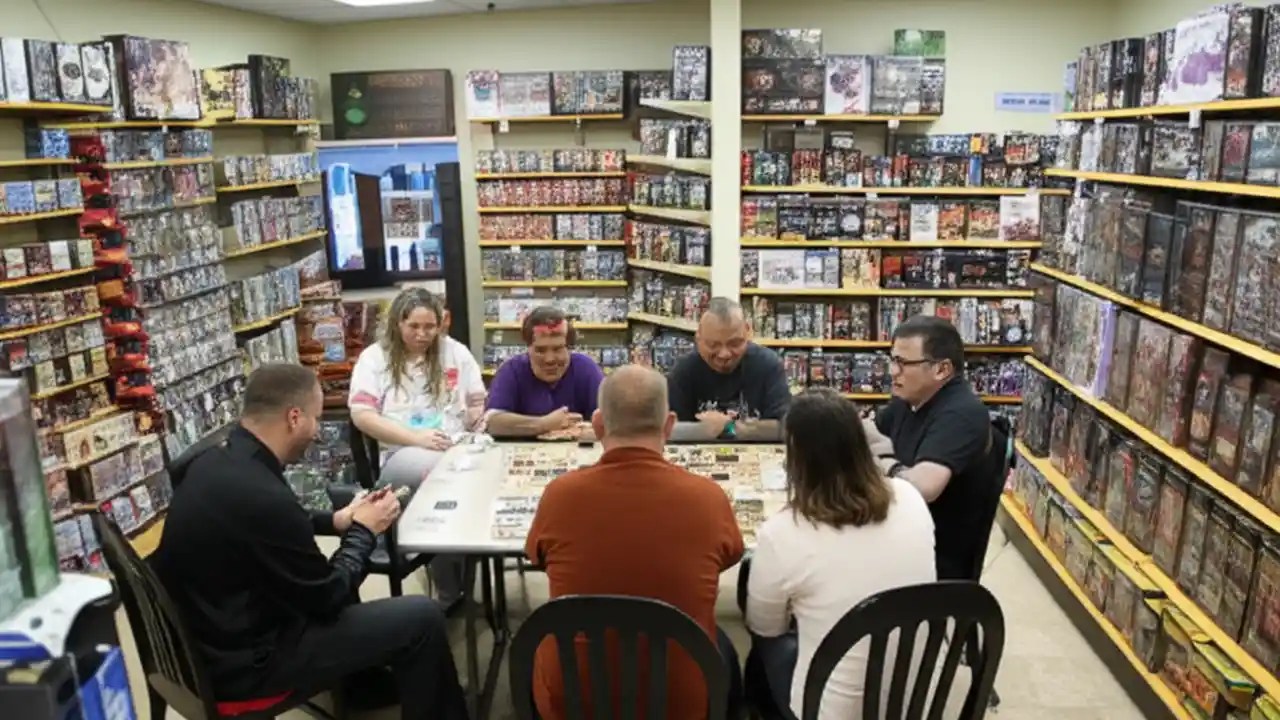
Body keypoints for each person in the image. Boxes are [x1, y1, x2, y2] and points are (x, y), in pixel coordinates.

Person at [153, 364, 467, 720]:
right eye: (316, 420)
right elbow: (327, 596)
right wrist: (364, 532)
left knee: (344, 579)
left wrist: (337, 521)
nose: (317, 432)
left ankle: (360, 687)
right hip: (246, 667)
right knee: (421, 617)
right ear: (294, 418)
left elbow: (268, 527)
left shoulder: (218, 461)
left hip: (214, 633)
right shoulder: (262, 495)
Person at [525, 364, 744, 720]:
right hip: (681, 704)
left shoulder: (560, 495)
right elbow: (730, 555)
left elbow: (537, 557)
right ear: (669, 425)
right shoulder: (708, 497)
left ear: (598, 425)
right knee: (724, 646)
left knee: (532, 641)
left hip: (574, 703)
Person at [744, 389, 935, 720]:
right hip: (914, 699)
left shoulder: (783, 532)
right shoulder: (910, 497)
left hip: (828, 709)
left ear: (796, 457)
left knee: (762, 649)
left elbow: (765, 628)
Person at [348, 288, 486, 607]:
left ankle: (464, 574)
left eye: (430, 327)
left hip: (456, 446)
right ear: (398, 323)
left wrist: (475, 416)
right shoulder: (375, 359)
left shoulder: (456, 352)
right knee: (440, 485)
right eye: (414, 327)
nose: (423, 335)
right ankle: (450, 590)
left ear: (441, 325)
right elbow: (362, 415)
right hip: (402, 452)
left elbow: (477, 398)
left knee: (474, 484)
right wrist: (416, 438)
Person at [872, 315, 1004, 580]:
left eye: (903, 363)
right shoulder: (909, 398)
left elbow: (925, 487)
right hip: (898, 534)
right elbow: (870, 430)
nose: (893, 372)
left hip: (932, 564)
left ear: (941, 370)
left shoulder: (961, 414)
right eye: (892, 360)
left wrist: (884, 463)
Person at [666, 297, 791, 438]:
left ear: (747, 332)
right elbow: (670, 430)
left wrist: (729, 428)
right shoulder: (684, 370)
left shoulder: (768, 365)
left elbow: (785, 428)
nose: (724, 354)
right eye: (713, 345)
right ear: (698, 338)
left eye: (735, 344)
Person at [485, 306, 605, 438]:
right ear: (528, 348)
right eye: (540, 350)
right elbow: (492, 423)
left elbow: (613, 422)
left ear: (570, 348)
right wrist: (545, 424)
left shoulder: (586, 369)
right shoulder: (511, 371)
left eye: (558, 349)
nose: (549, 359)